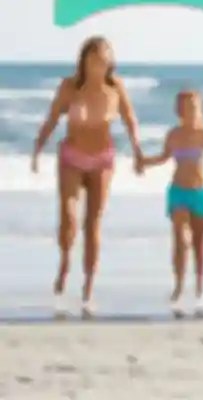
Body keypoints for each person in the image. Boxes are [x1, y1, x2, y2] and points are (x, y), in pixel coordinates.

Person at [31, 36, 144, 317]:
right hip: (71, 158)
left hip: (102, 160)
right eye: (93, 58)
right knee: (68, 219)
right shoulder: (70, 87)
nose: (99, 63)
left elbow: (131, 120)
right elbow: (53, 118)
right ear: (84, 60)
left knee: (93, 223)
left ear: (110, 62)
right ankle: (65, 260)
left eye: (104, 58)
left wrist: (138, 153)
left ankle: (88, 287)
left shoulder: (116, 88)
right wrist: (37, 149)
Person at [137, 89, 203, 317]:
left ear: (202, 110)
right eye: (185, 108)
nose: (190, 112)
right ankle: (179, 286)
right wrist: (145, 162)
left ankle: (200, 287)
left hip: (200, 193)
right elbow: (164, 157)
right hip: (178, 192)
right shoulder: (173, 135)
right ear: (178, 112)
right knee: (181, 241)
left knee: (200, 245)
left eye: (194, 107)